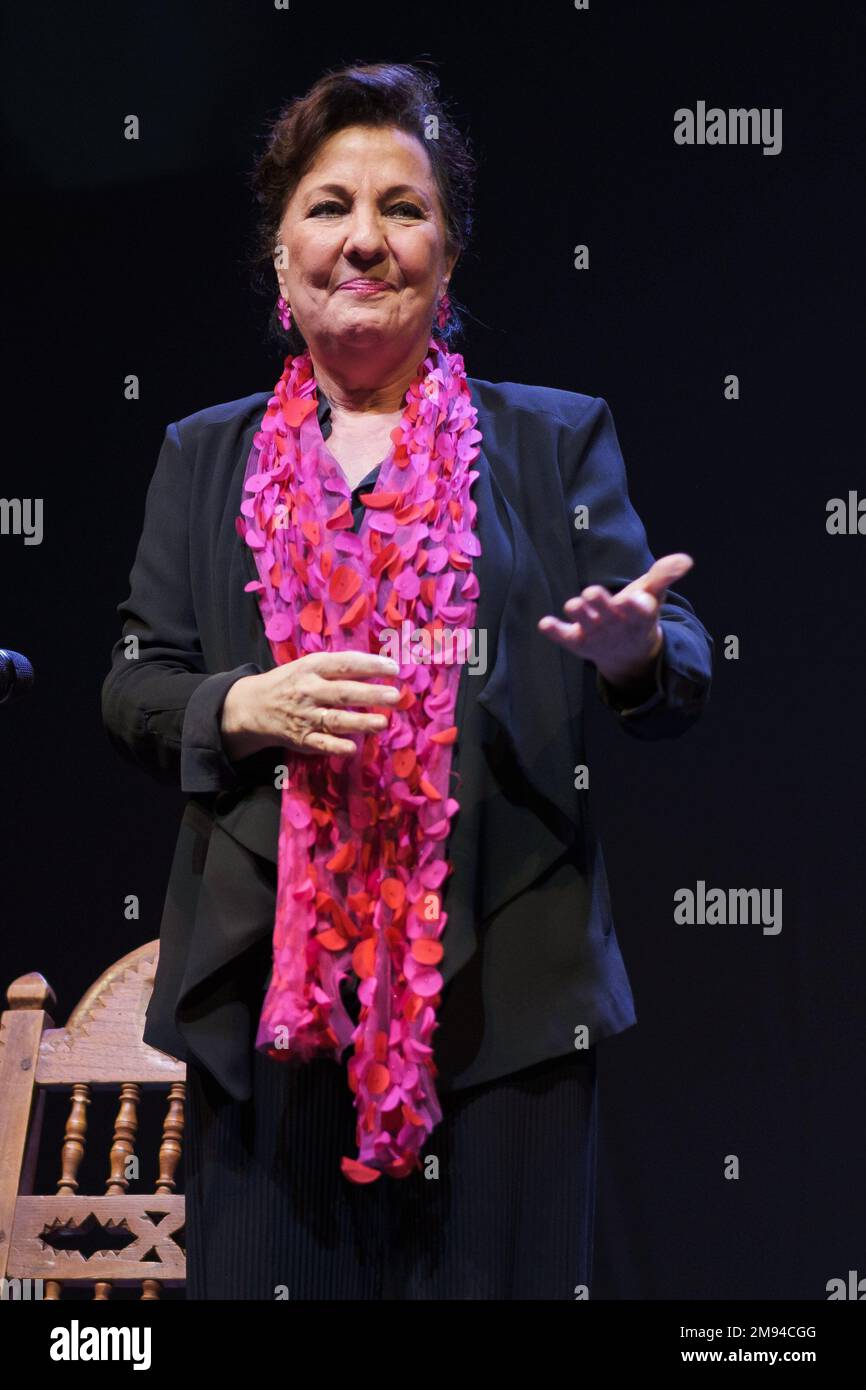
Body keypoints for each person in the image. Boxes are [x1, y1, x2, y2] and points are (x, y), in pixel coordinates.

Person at [101, 61, 713, 1300]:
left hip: (504, 1017)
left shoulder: (552, 438)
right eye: (328, 207)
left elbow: (676, 649)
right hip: (270, 1020)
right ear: (279, 255)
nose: (363, 241)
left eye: (403, 207)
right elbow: (133, 687)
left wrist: (632, 650)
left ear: (449, 252)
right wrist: (238, 705)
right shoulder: (200, 456)